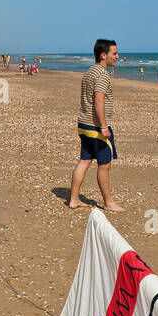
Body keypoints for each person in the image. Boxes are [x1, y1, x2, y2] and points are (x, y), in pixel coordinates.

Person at [68, 38, 125, 213]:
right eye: (114, 53)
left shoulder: (90, 72)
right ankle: (108, 202)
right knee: (104, 164)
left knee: (85, 160)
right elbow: (98, 100)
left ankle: (74, 199)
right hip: (95, 127)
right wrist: (103, 126)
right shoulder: (101, 75)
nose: (117, 56)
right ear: (103, 55)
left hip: (83, 124)